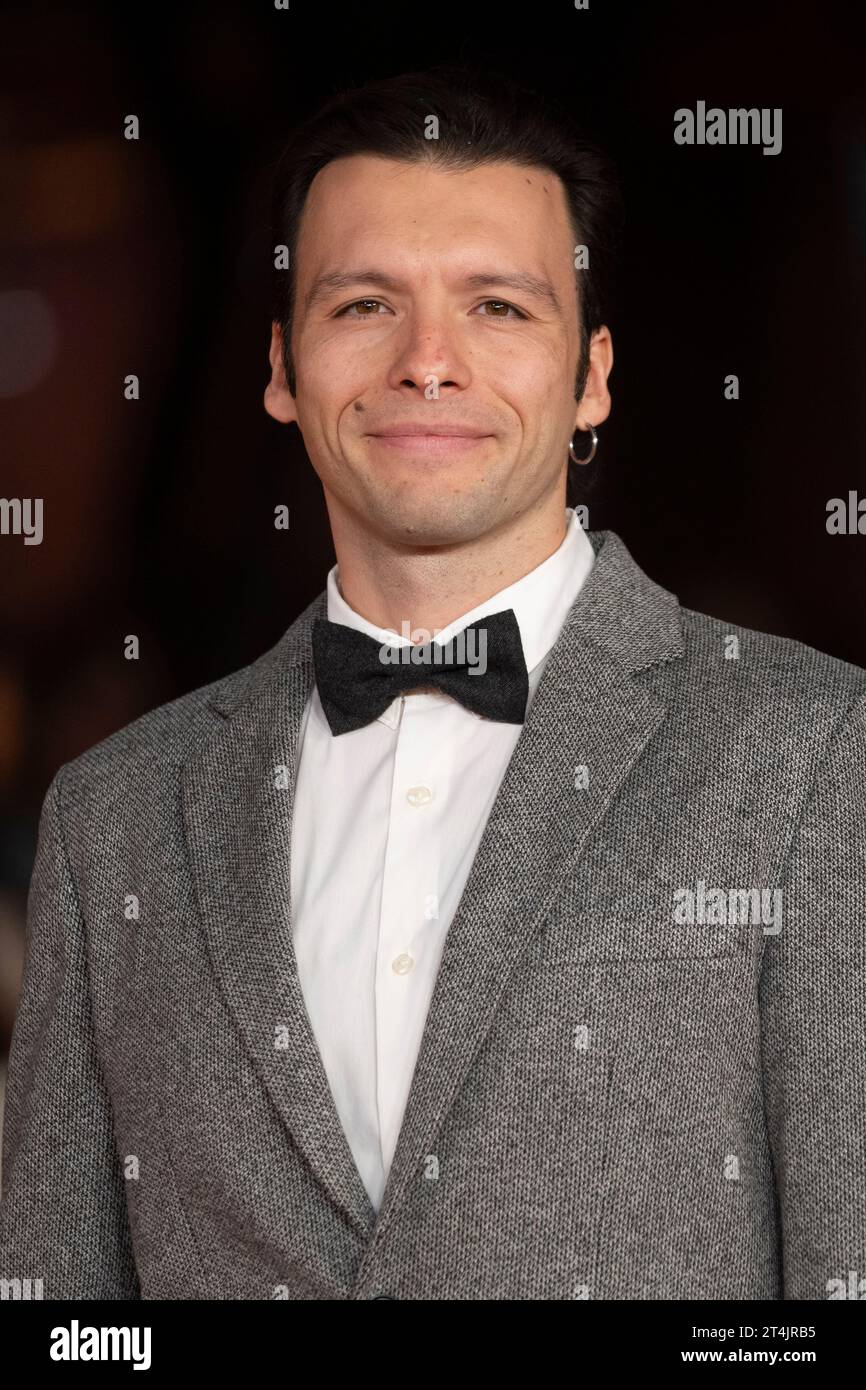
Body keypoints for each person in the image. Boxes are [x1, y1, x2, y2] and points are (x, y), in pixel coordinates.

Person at [1, 65, 864, 1302]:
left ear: (592, 376)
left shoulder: (817, 757)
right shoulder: (114, 818)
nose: (427, 363)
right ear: (282, 368)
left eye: (498, 309)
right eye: (362, 304)